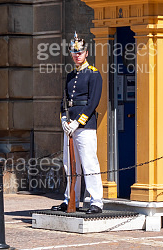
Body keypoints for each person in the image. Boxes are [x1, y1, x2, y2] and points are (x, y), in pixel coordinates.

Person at [51, 33, 104, 214]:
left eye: (80, 52)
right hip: (70, 126)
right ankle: (70, 199)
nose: (77, 55)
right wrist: (64, 120)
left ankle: (96, 201)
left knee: (89, 163)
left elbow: (92, 103)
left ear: (86, 53)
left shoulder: (93, 74)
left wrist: (78, 122)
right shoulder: (70, 76)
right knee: (70, 165)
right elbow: (64, 101)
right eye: (74, 52)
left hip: (85, 126)